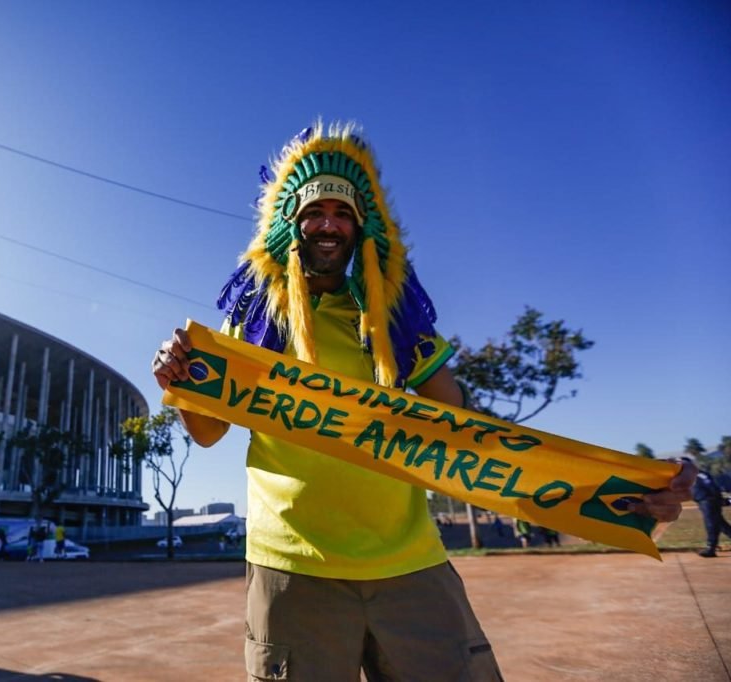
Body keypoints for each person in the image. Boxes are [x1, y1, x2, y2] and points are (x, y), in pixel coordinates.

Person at [152, 121, 697, 681]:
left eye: (342, 214)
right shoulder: (253, 320)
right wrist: (178, 377)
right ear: (289, 225)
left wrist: (632, 484)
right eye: (314, 212)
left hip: (411, 564)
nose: (328, 225)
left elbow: (468, 428)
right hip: (292, 569)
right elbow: (208, 430)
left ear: (362, 229)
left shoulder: (395, 322)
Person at [693, 468, 731, 558]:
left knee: (711, 524)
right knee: (720, 524)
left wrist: (715, 498)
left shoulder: (699, 474)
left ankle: (711, 549)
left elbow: (710, 485)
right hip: (704, 501)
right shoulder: (691, 475)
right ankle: (711, 548)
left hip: (708, 501)